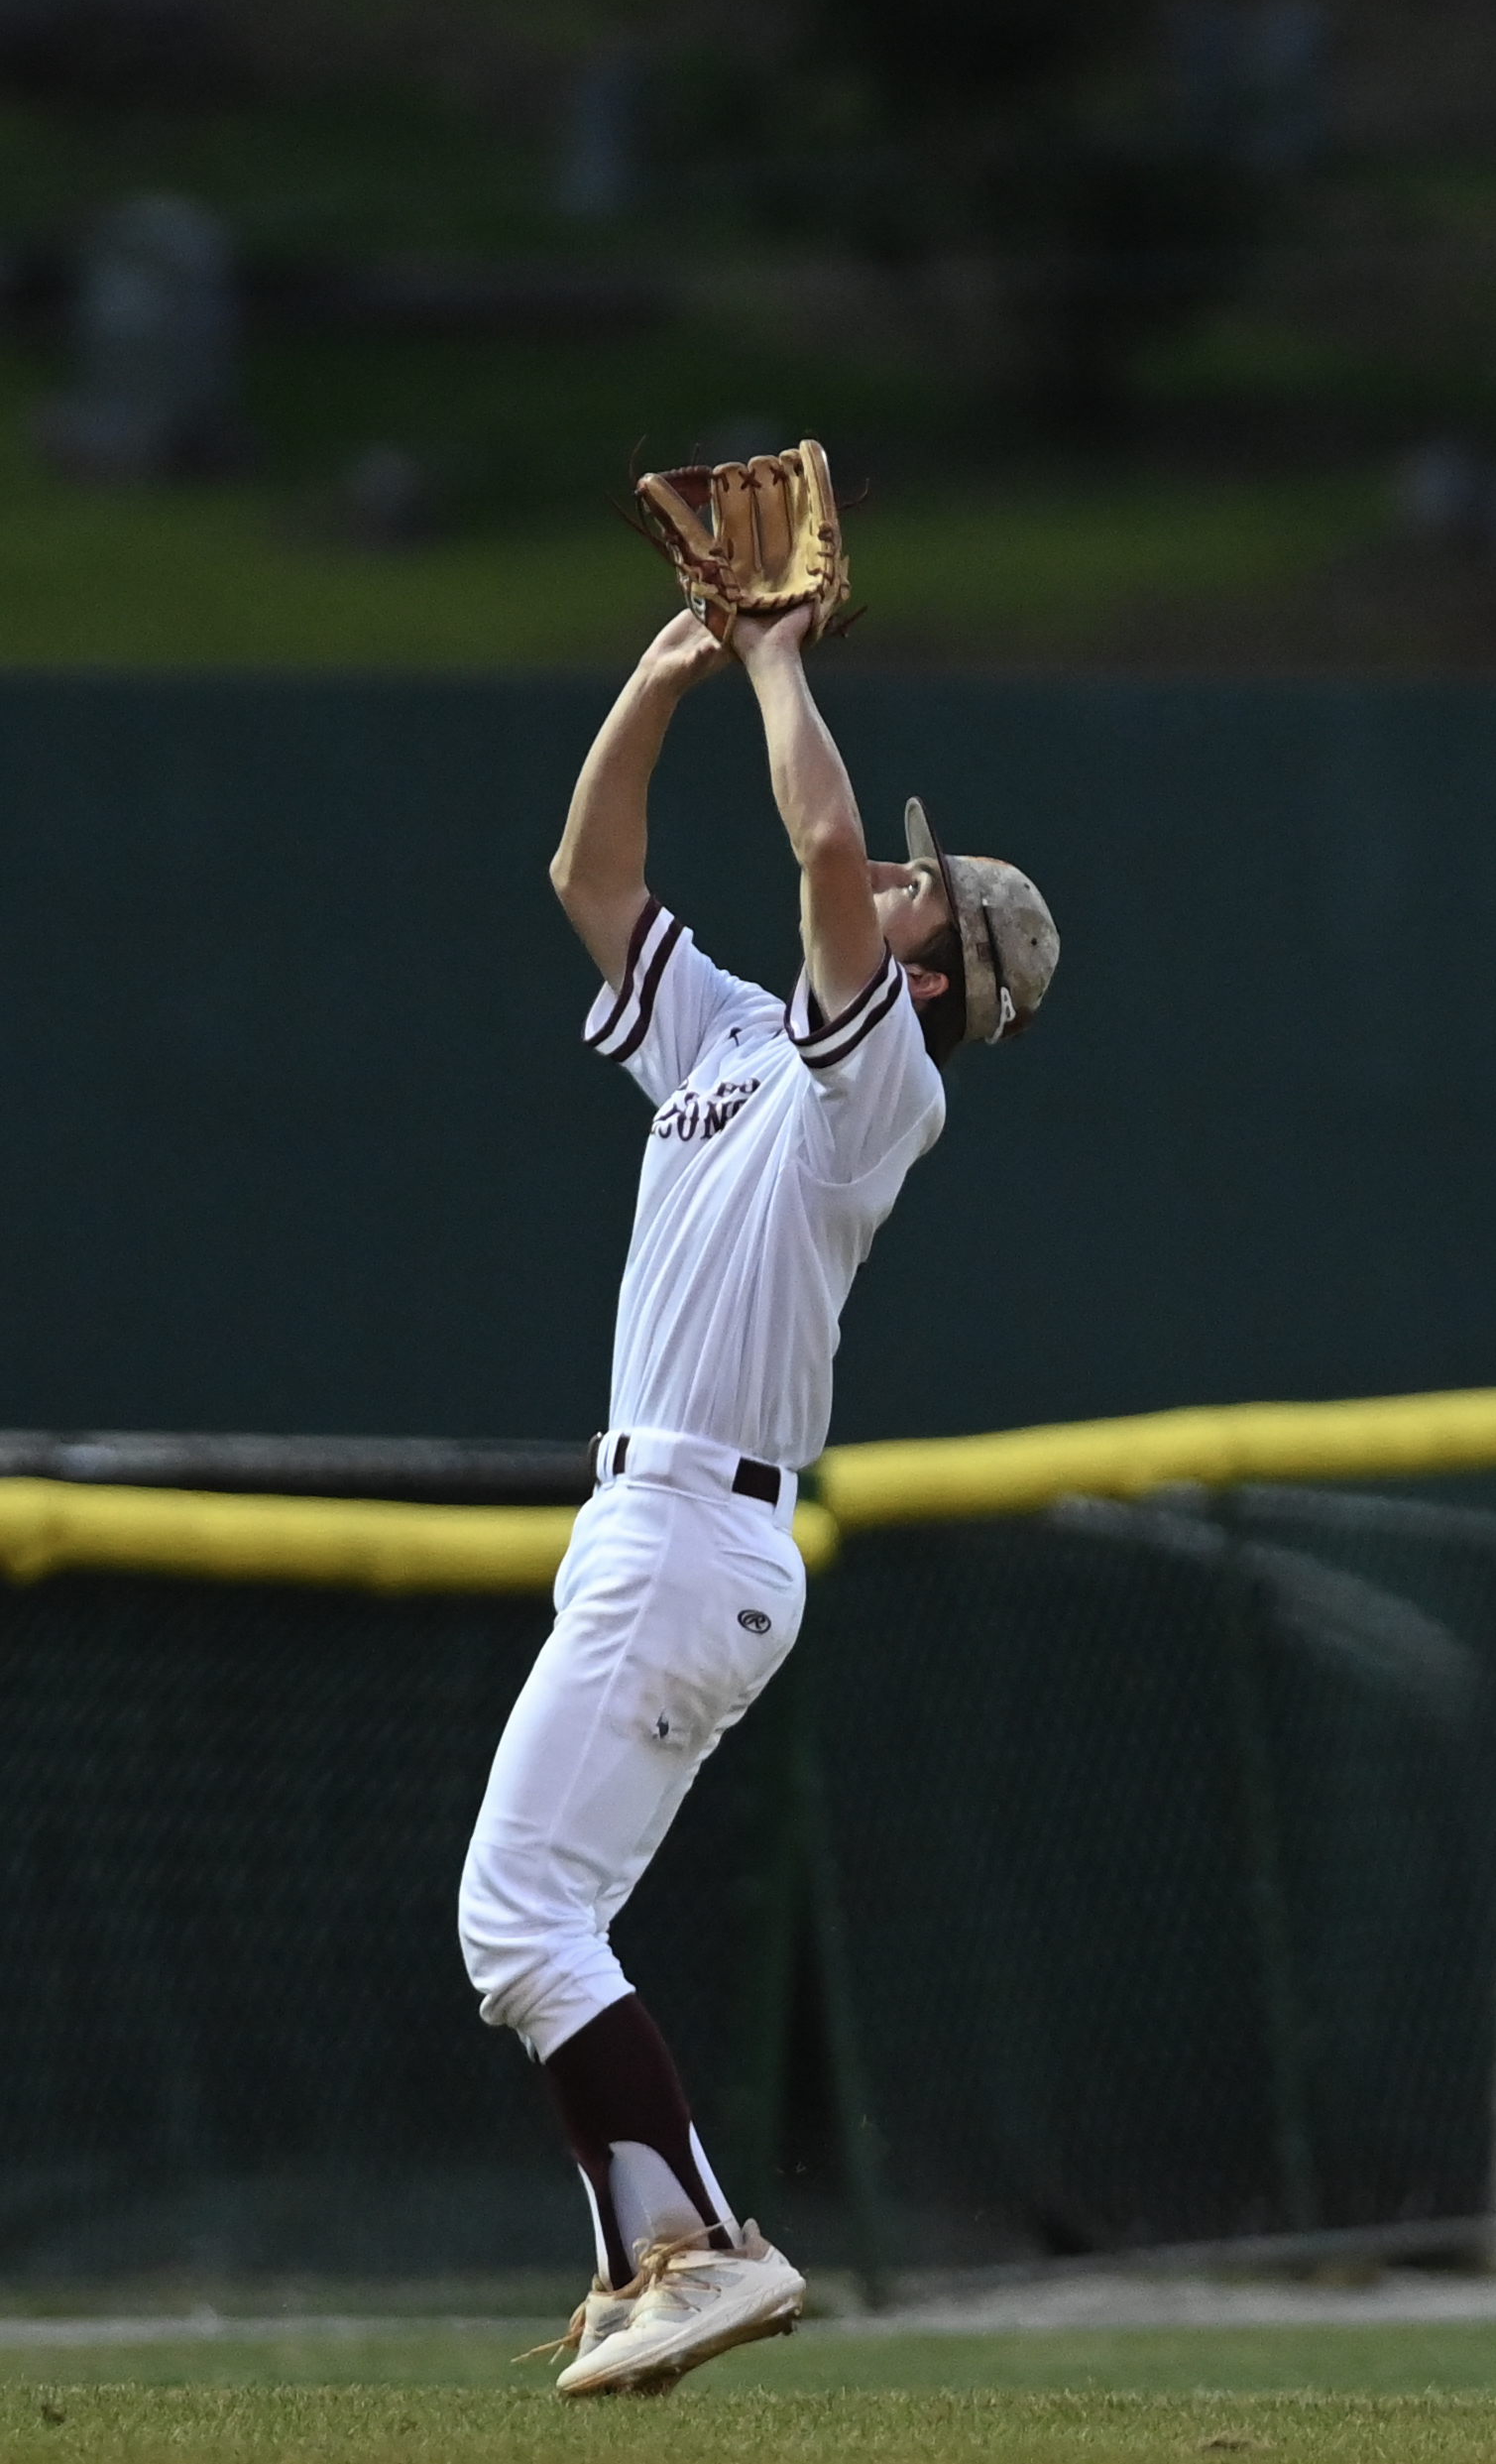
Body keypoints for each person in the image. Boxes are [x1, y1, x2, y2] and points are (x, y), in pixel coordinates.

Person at [458, 599, 1059, 2396]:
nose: (886, 872)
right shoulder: (726, 1034)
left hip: (694, 1528)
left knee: (519, 1911)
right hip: (651, 1528)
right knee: (540, 1909)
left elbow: (811, 838)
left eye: (916, 892)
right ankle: (663, 2253)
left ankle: (705, 2246)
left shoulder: (875, 1082)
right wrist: (667, 672)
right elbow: (588, 871)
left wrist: (781, 651)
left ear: (933, 980)